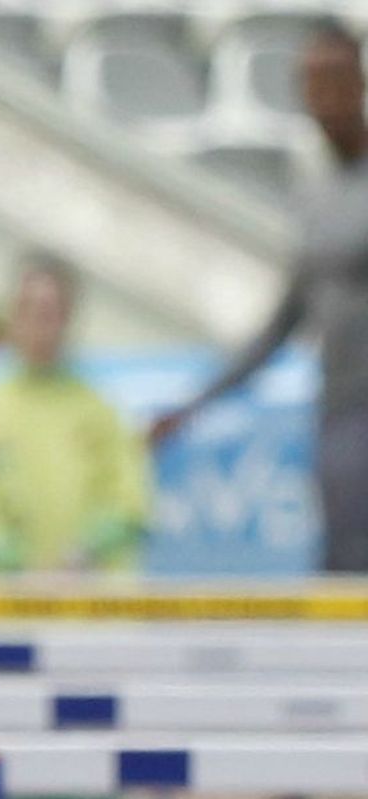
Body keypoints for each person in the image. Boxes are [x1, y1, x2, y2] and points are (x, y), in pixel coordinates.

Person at [151, 19, 368, 573]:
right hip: (339, 412)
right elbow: (284, 322)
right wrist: (197, 401)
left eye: (334, 79)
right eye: (310, 84)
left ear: (360, 82)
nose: (322, 98)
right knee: (344, 577)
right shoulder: (316, 199)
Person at [0, 251, 150, 573]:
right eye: (28, 310)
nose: (39, 325)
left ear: (68, 317)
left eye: (50, 312)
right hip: (8, 610)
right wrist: (18, 565)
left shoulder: (99, 408)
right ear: (12, 314)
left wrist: (85, 554)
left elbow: (129, 504)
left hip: (93, 608)